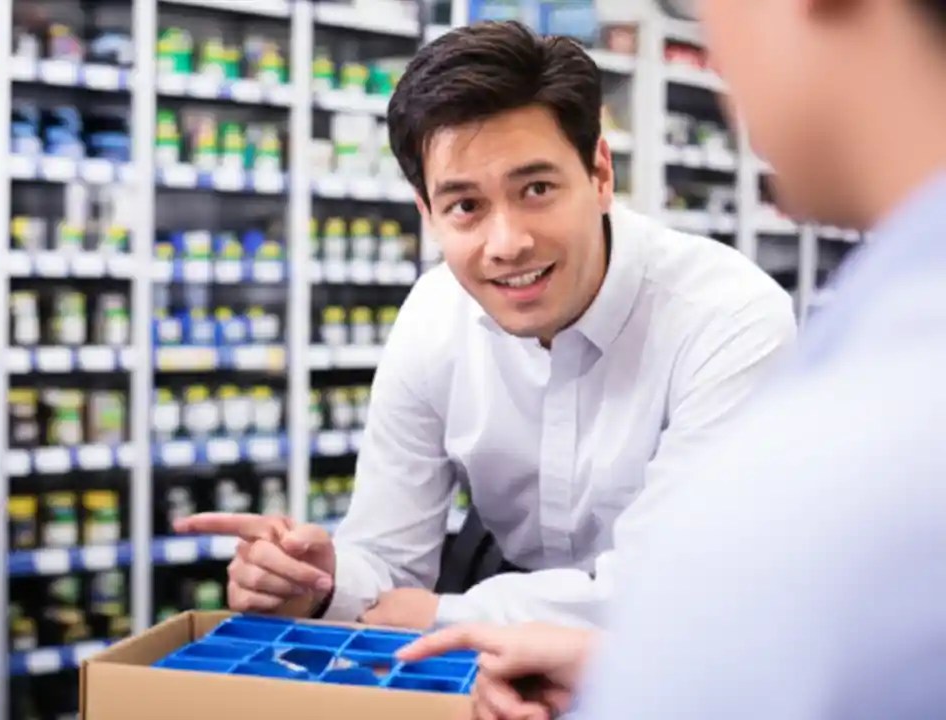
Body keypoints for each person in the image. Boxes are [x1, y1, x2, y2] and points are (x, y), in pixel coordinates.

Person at [400, 0, 946, 718]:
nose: (717, 59)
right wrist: (611, 664)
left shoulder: (856, 370)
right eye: (465, 205)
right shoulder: (889, 321)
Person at [175, 21, 796, 631]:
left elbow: (674, 587)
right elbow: (389, 561)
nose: (508, 244)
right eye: (466, 206)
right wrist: (320, 584)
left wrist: (443, 615)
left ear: (600, 174)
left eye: (537, 188)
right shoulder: (433, 317)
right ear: (428, 214)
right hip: (500, 609)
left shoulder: (728, 318)